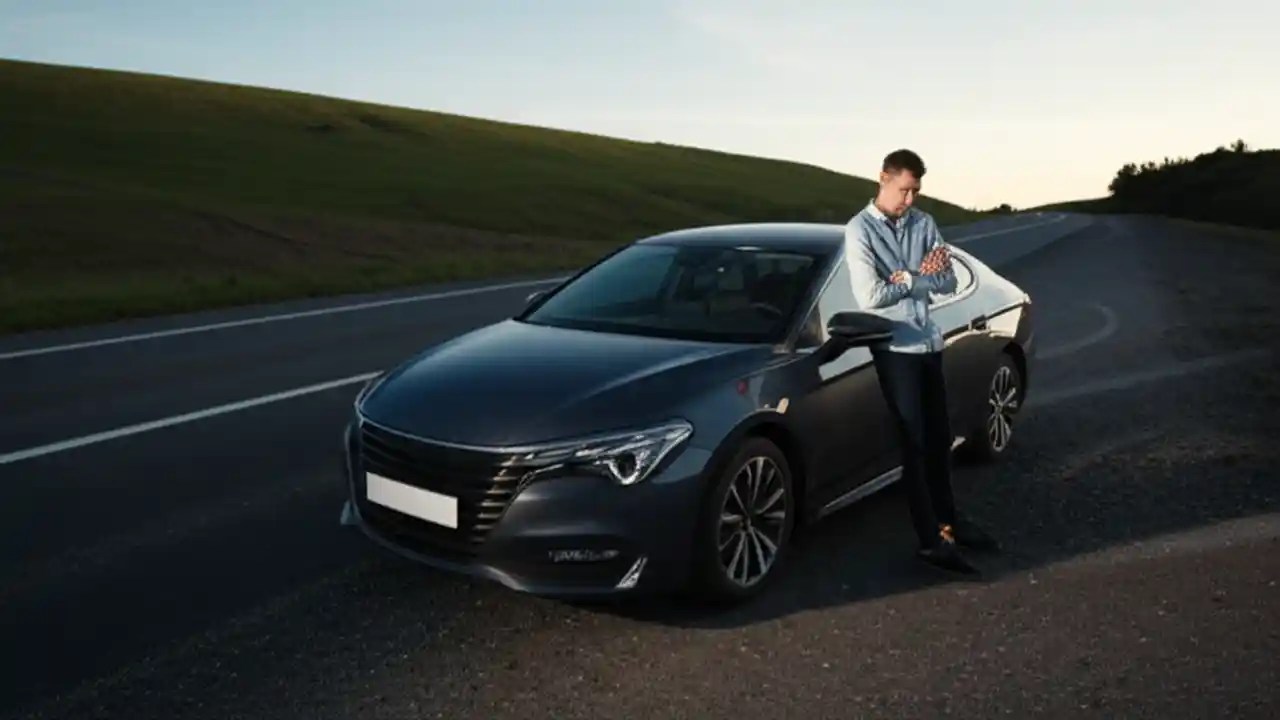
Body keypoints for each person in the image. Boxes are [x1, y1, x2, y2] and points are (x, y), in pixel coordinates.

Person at [843, 148, 999, 575]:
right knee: (913, 445)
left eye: (916, 191)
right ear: (883, 178)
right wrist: (922, 278)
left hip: (930, 344)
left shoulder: (924, 223)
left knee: (940, 439)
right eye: (904, 190)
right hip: (895, 351)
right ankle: (929, 541)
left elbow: (947, 281)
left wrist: (910, 278)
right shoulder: (859, 231)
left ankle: (950, 523)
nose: (909, 200)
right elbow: (870, 296)